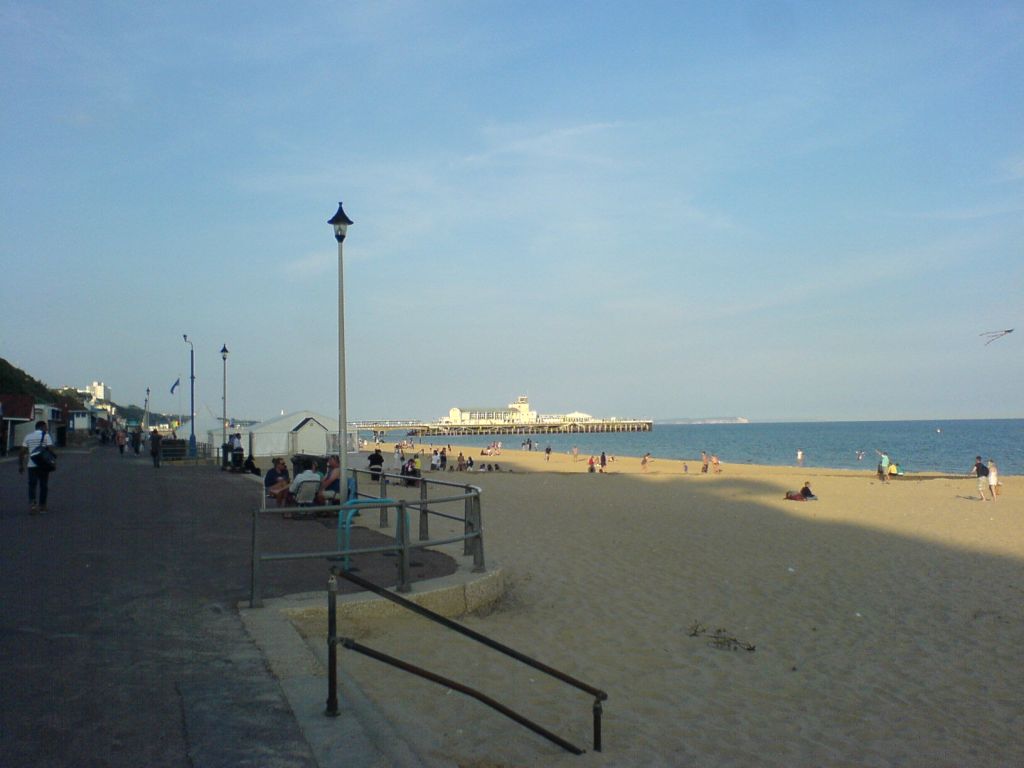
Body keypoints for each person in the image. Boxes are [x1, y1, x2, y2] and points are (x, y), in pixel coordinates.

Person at [19, 421, 55, 514]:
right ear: (42, 427)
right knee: (43, 485)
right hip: (43, 465)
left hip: (32, 465)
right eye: (46, 427)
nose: (46, 429)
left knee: (32, 485)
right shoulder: (46, 436)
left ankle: (33, 506)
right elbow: (50, 449)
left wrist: (21, 465)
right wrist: (52, 460)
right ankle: (42, 506)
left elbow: (22, 452)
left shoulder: (28, 436)